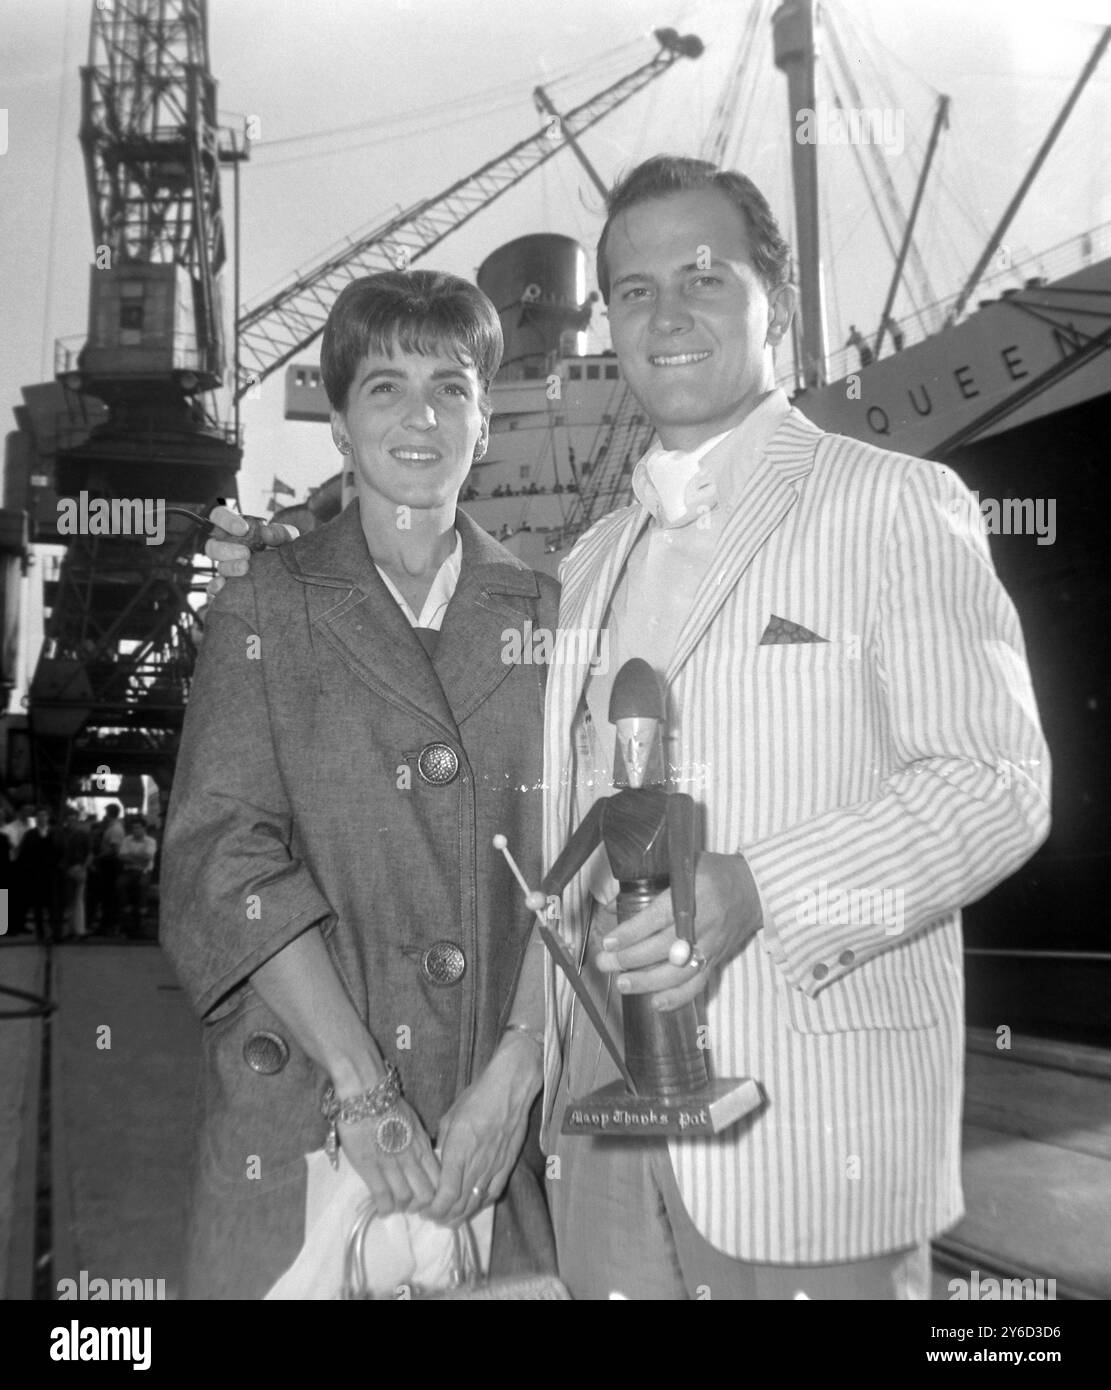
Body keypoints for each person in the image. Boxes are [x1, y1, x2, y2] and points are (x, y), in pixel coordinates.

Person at [209, 157, 1051, 1301]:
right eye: (635, 289)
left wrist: (760, 886)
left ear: (779, 304)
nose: (664, 313)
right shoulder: (593, 564)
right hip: (596, 1147)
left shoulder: (893, 503)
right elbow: (559, 842)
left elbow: (998, 780)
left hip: (799, 1147)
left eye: (704, 277)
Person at [163, 269, 558, 1299]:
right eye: (384, 386)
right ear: (338, 422)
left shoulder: (554, 616)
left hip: (483, 1143)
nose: (420, 415)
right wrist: (361, 1085)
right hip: (305, 1124)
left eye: (451, 386)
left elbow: (572, 870)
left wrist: (514, 1081)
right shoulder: (268, 602)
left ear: (484, 418)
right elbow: (222, 857)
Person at [118, 818, 157, 939]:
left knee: (141, 886)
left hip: (144, 871)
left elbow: (147, 857)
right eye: (134, 828)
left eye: (138, 827)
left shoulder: (150, 841)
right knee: (120, 885)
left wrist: (131, 856)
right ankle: (127, 911)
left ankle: (142, 915)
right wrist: (138, 859)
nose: (135, 830)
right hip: (129, 871)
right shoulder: (127, 840)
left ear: (144, 829)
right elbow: (121, 856)